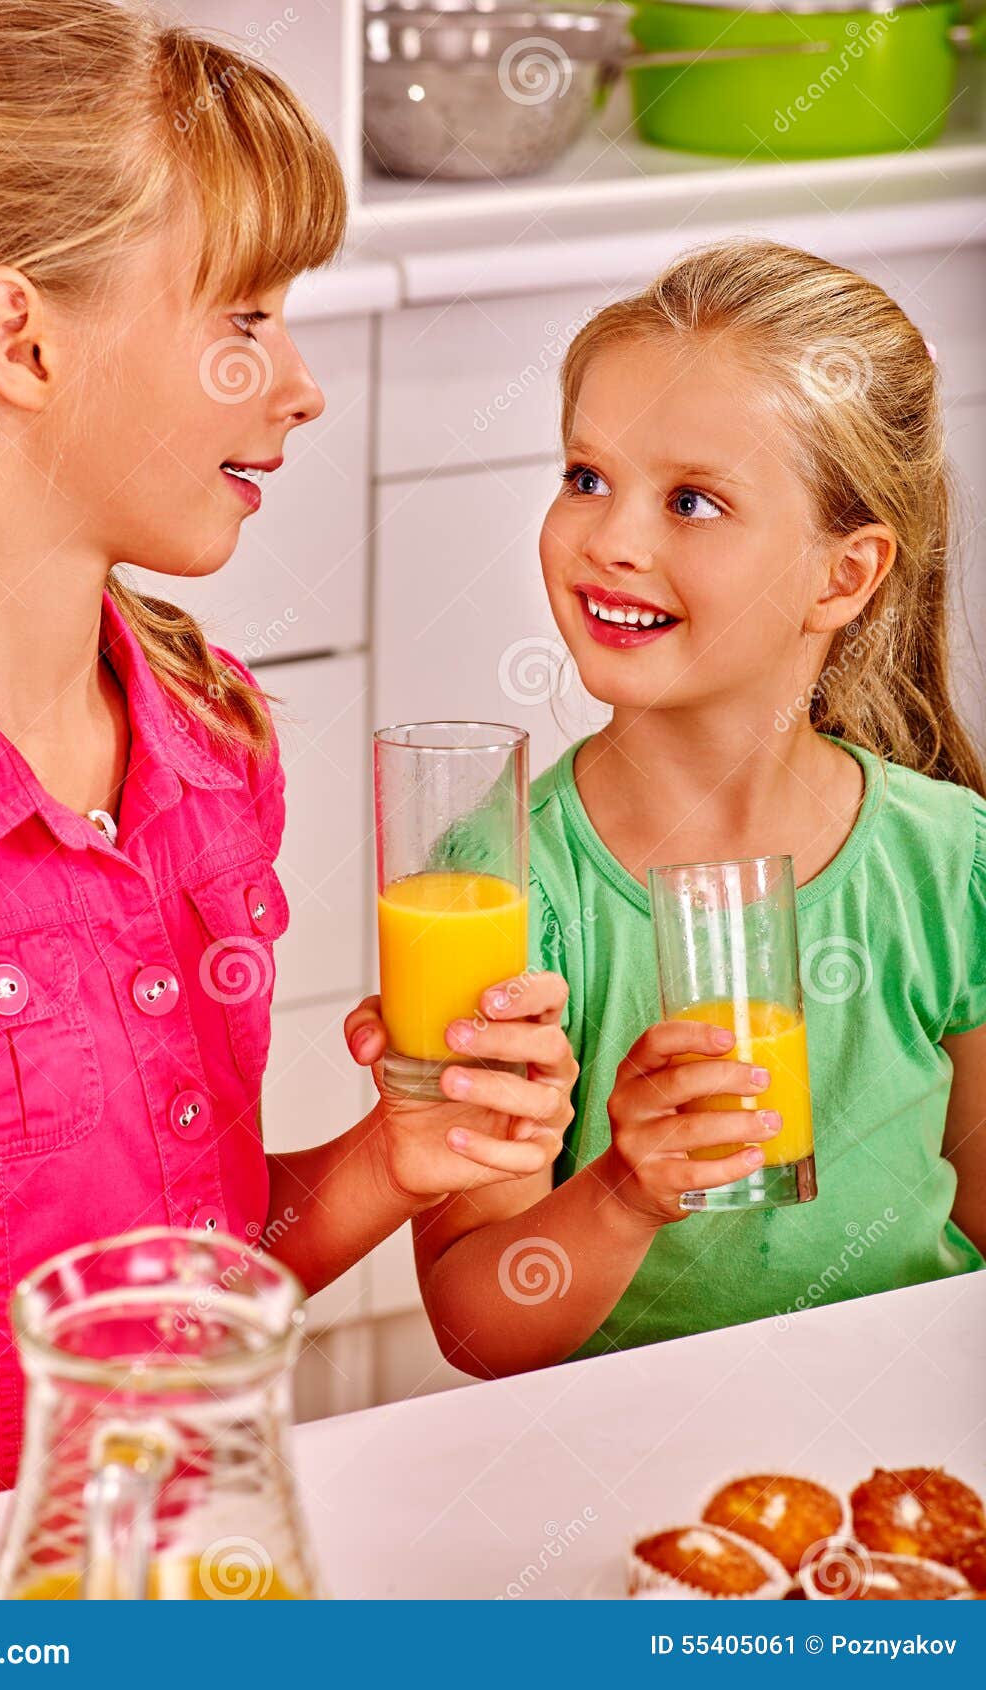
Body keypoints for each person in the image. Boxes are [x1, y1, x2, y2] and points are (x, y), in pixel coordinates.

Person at [0, 0, 576, 1525]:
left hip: (196, 1556)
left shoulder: (210, 741)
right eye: (244, 320)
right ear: (21, 339)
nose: (302, 383)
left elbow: (188, 1274)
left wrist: (397, 1157)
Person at [359, 240, 985, 1377]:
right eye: (586, 477)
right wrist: (621, 1196)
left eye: (691, 500)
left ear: (842, 577)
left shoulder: (952, 865)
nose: (612, 540)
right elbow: (474, 1323)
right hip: (623, 1466)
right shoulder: (498, 888)